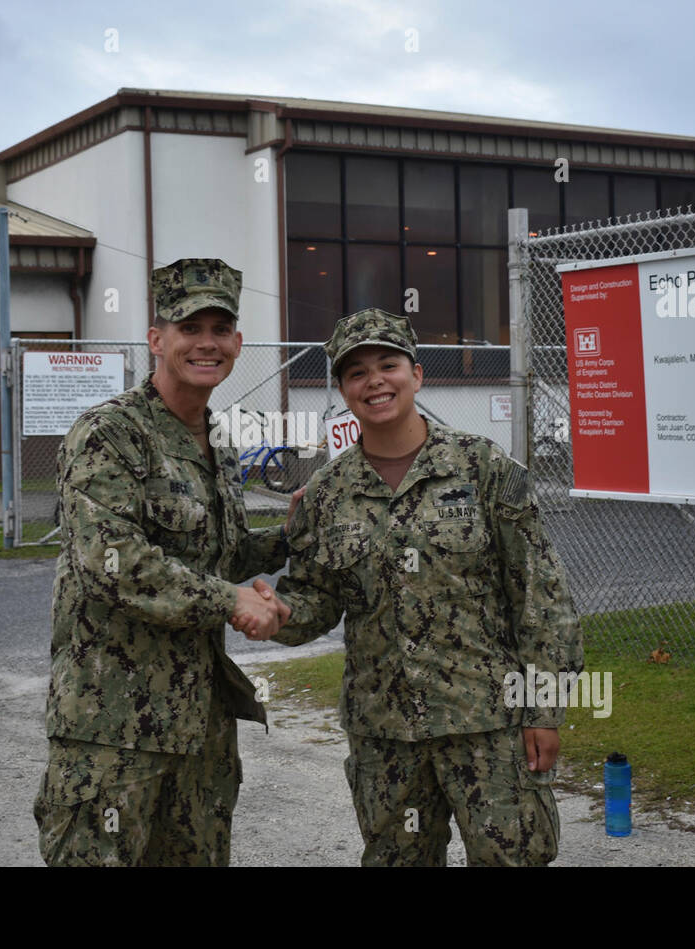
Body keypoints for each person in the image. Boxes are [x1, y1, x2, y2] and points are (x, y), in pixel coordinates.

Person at [246, 308, 585, 866]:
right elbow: (317, 599)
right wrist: (278, 611)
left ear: (417, 375)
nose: (374, 381)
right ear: (343, 391)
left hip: (489, 724)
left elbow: (541, 596)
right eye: (356, 373)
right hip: (385, 733)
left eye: (387, 364)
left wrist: (545, 710)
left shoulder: (483, 467)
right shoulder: (328, 490)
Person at [33, 257, 295, 866]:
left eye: (220, 328)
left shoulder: (215, 441)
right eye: (188, 327)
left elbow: (220, 556)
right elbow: (115, 561)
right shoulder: (108, 433)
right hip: (112, 728)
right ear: (157, 340)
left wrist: (289, 534)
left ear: (236, 342)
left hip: (200, 724)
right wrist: (232, 601)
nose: (206, 342)